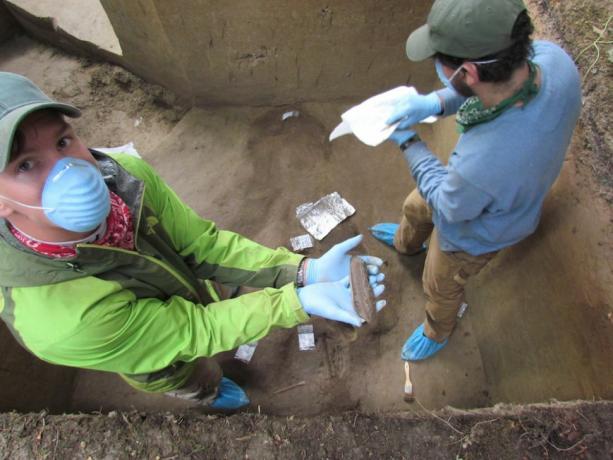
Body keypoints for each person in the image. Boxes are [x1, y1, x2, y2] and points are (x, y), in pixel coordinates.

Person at [0, 71, 386, 410]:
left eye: (63, 142)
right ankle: (208, 392)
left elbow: (202, 245)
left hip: (176, 285)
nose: (72, 172)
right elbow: (194, 331)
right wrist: (296, 302)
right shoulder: (62, 322)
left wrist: (303, 270)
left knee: (205, 296)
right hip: (155, 355)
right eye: (26, 165)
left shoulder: (124, 177)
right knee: (187, 370)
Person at [370, 0, 581, 361]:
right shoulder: (555, 63)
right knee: (413, 208)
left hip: (474, 232)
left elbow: (450, 206)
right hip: (483, 189)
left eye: (441, 59)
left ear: (467, 72)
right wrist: (434, 104)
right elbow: (485, 89)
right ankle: (408, 243)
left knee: (440, 284)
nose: (436, 63)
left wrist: (408, 141)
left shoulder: (485, 159)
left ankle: (437, 329)